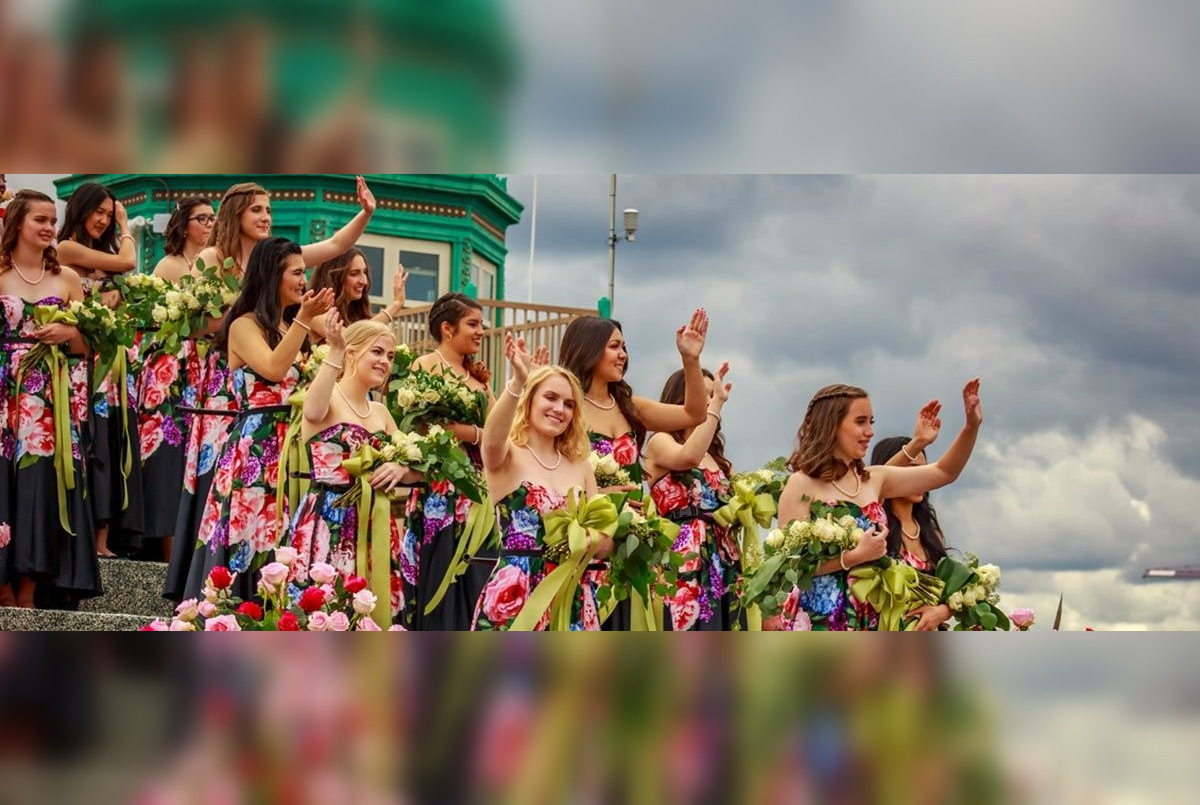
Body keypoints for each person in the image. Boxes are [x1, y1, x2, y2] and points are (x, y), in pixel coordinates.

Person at [182, 237, 334, 600]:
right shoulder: (243, 325)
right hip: (257, 445)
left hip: (294, 445)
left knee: (286, 533)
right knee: (251, 532)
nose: (303, 280)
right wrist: (304, 320)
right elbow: (273, 369)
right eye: (296, 273)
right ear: (272, 275)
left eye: (304, 272)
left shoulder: (291, 327)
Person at [774, 379, 983, 631]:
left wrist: (971, 426)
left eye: (871, 422)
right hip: (822, 620)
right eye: (860, 421)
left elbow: (944, 472)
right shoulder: (801, 484)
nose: (870, 431)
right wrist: (853, 557)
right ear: (832, 425)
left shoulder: (874, 479)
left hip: (872, 619)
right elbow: (787, 569)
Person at [558, 310, 710, 629]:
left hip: (632, 543)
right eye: (614, 346)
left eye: (624, 347)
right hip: (588, 540)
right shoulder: (565, 408)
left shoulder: (631, 408)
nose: (623, 355)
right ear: (588, 349)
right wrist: (599, 496)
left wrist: (691, 359)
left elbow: (695, 414)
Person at [0, 191, 99, 608]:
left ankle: (28, 588)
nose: (49, 227)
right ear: (17, 223)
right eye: (39, 219)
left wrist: (69, 333)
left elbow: (89, 346)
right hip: (5, 390)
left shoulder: (67, 279)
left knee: (39, 484)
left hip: (49, 397)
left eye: (53, 220)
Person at [283, 315, 415, 623]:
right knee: (324, 613)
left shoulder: (381, 412)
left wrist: (399, 467)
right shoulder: (326, 396)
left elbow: (415, 470)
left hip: (374, 523)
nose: (385, 362)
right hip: (329, 516)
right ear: (352, 353)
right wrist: (335, 350)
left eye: (390, 356)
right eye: (377, 352)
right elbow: (312, 412)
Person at [472, 335, 604, 631]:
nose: (560, 409)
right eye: (551, 397)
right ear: (530, 399)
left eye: (569, 404)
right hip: (517, 592)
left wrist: (595, 540)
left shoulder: (581, 465)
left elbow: (602, 538)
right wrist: (518, 382)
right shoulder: (507, 456)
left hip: (571, 593)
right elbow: (490, 440)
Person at [56, 181, 142, 556]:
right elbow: (128, 262)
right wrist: (126, 226)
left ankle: (103, 537)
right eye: (98, 212)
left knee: (108, 442)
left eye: (109, 215)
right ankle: (76, 535)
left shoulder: (101, 255)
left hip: (109, 367)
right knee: (83, 441)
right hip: (77, 365)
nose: (103, 220)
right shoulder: (65, 248)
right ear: (80, 209)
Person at [401, 293, 494, 630]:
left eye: (481, 325)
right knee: (440, 566)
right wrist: (471, 434)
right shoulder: (424, 366)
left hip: (478, 488)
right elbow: (420, 427)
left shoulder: (479, 379)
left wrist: (471, 433)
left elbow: (496, 431)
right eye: (473, 324)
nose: (481, 331)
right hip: (439, 483)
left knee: (476, 568)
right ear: (447, 328)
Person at [134, 198, 217, 559]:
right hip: (171, 364)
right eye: (202, 218)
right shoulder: (168, 265)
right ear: (184, 225)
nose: (209, 224)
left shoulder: (217, 263)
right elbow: (150, 319)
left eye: (213, 218)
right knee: (168, 449)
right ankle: (165, 544)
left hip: (206, 366)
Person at [644, 363, 740, 630]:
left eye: (712, 394)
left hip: (723, 558)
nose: (708, 400)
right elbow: (688, 457)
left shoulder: (720, 460)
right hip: (683, 556)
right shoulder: (661, 442)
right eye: (703, 394)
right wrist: (717, 404)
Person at [869, 402, 954, 631]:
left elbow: (950, 593)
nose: (920, 478)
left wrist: (942, 611)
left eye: (924, 471)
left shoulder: (932, 533)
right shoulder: (873, 528)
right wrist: (917, 443)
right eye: (911, 470)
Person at [306, 249, 409, 340]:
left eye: (365, 272)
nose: (364, 281)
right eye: (354, 274)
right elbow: (351, 339)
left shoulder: (355, 314)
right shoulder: (314, 311)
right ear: (335, 277)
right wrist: (396, 305)